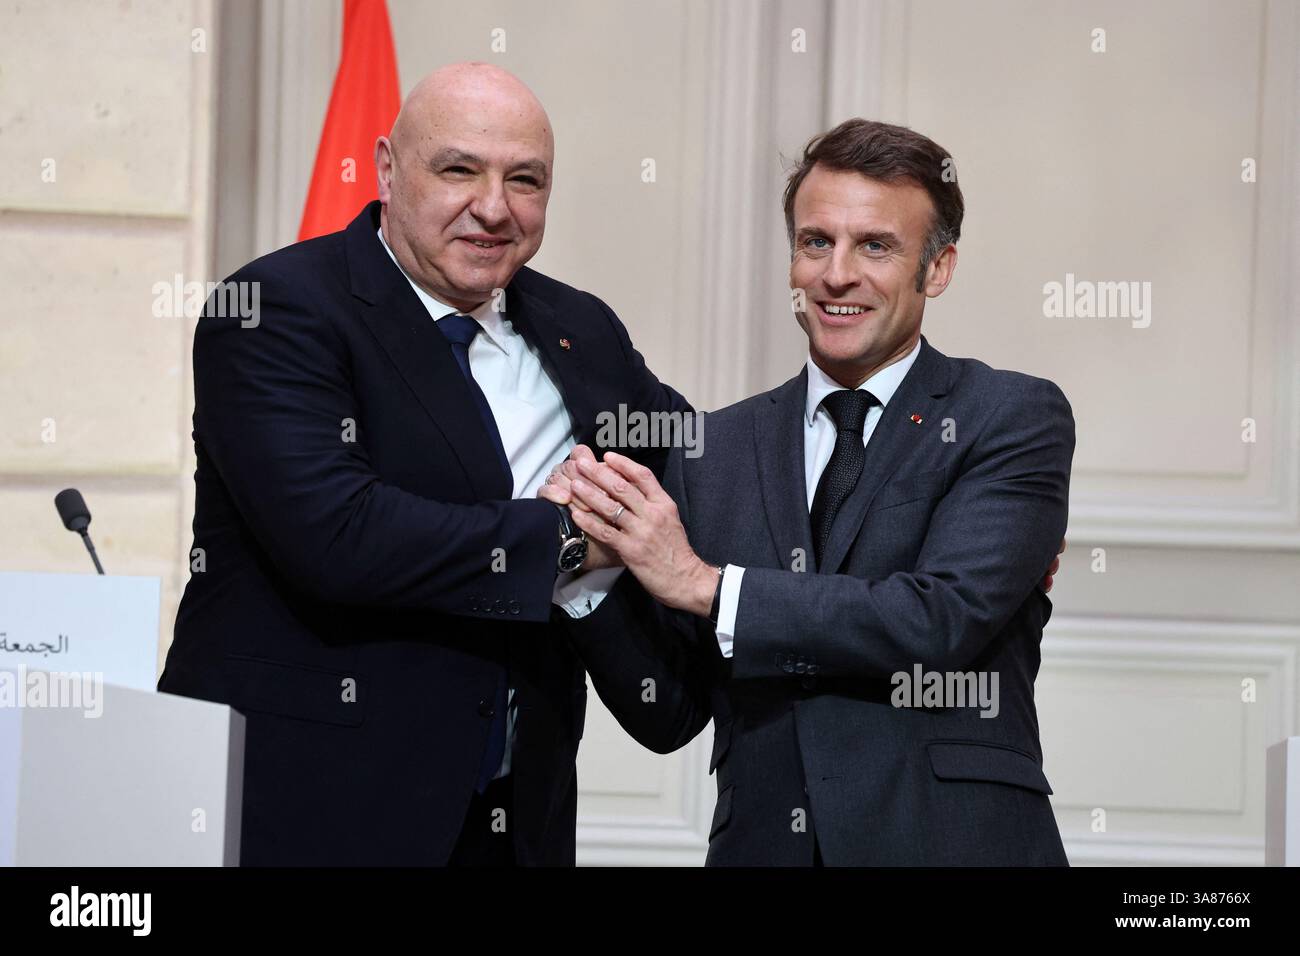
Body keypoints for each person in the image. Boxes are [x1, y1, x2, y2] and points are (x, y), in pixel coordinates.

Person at [158, 62, 687, 866]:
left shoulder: (580, 328)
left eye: (525, 179)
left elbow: (697, 462)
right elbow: (339, 536)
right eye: (458, 169)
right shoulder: (278, 308)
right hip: (308, 810)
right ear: (385, 169)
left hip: (515, 820)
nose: (493, 207)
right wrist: (573, 540)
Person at [546, 119, 1073, 866]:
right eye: (816, 241)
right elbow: (670, 715)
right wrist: (589, 569)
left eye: (876, 246)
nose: (837, 275)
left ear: (939, 267)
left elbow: (938, 620)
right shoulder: (715, 449)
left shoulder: (1010, 416)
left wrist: (705, 585)